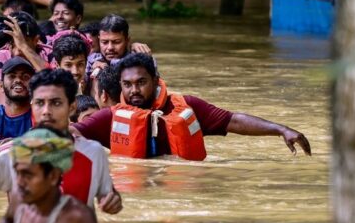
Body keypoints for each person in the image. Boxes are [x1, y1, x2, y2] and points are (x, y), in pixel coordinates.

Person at [73, 53, 313, 160]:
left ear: (155, 81)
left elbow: (233, 120)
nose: (134, 90)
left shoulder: (187, 106)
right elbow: (72, 132)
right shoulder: (111, 118)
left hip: (181, 190)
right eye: (127, 85)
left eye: (141, 82)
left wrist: (281, 129)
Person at [0, 69, 122, 214]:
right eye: (39, 103)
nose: (46, 111)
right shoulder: (11, 153)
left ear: (72, 107)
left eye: (55, 103)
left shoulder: (94, 152)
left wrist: (113, 202)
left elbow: (109, 196)